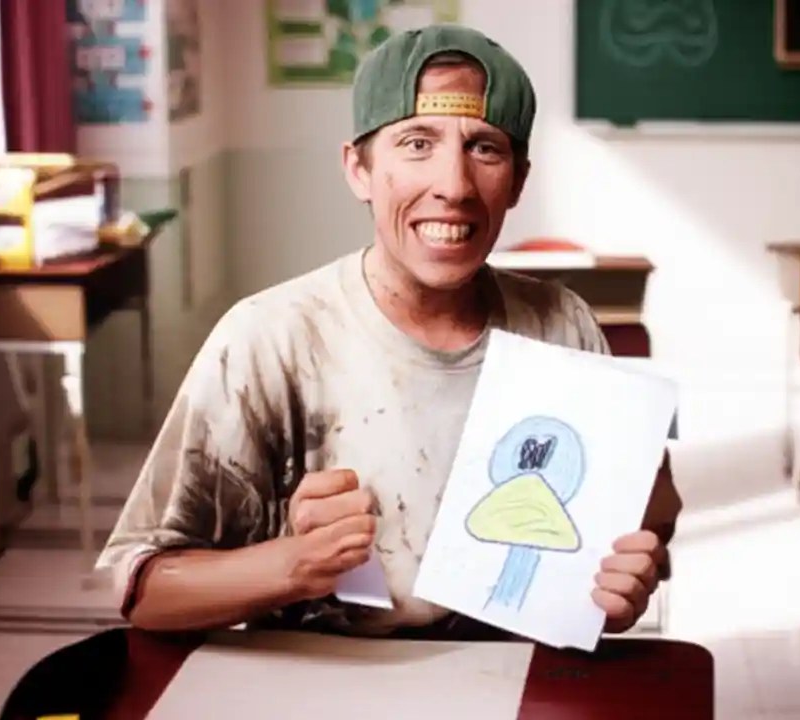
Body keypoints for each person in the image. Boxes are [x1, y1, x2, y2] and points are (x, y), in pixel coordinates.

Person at [96, 23, 682, 641]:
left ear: (517, 181)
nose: (453, 186)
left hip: (511, 683)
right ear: (358, 169)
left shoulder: (562, 325)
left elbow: (652, 507)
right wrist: (291, 565)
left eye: (485, 148)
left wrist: (618, 582)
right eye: (416, 143)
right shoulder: (272, 339)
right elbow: (144, 589)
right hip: (329, 687)